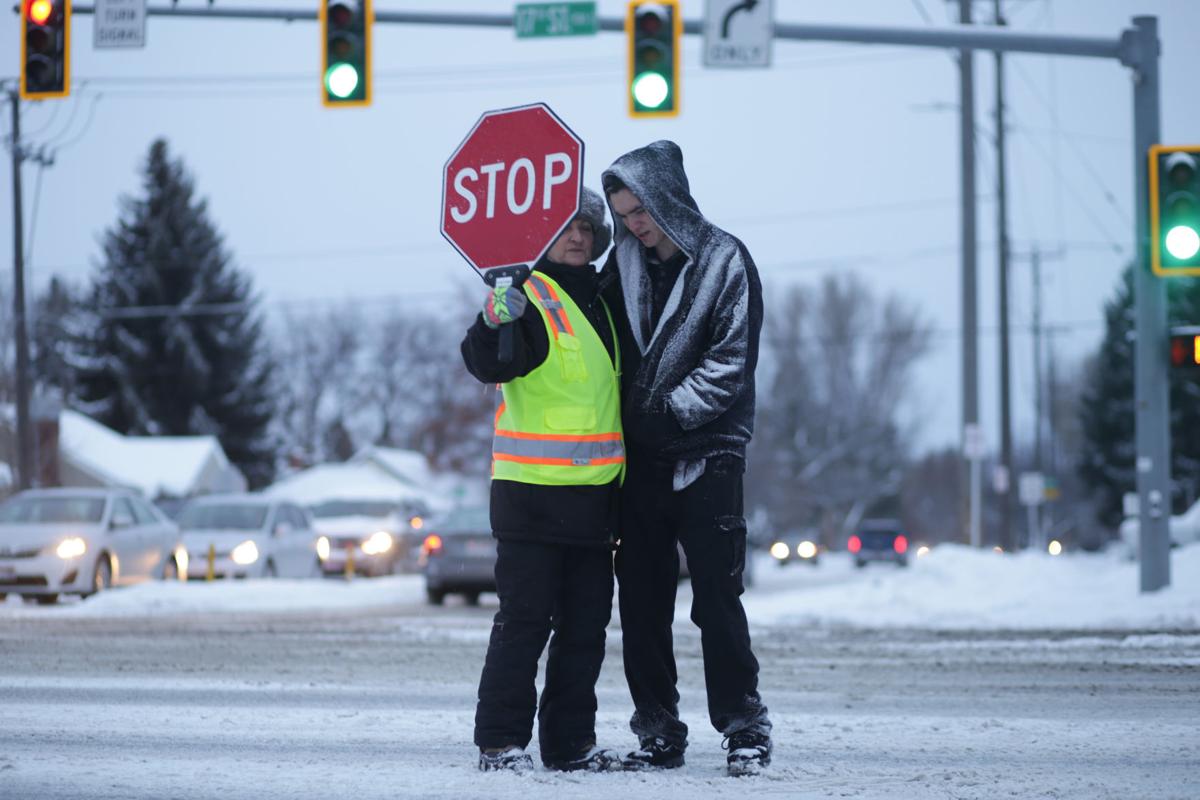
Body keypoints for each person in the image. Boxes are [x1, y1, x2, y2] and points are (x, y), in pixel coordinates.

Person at [598, 141, 772, 776]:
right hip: (639, 466)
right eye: (623, 214)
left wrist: (667, 415)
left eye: (641, 210)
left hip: (708, 459)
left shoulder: (726, 261)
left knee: (716, 602)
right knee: (641, 604)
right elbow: (599, 337)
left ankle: (745, 727)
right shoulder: (622, 266)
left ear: (669, 198)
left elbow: (731, 362)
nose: (635, 224)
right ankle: (658, 732)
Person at [462, 188, 624, 774]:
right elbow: (489, 363)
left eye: (587, 227)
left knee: (585, 631)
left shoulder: (605, 301)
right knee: (525, 624)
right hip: (531, 498)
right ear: (539, 234)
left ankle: (569, 745)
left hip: (594, 501)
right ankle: (502, 745)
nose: (578, 237)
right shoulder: (526, 293)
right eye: (566, 226)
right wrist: (491, 320)